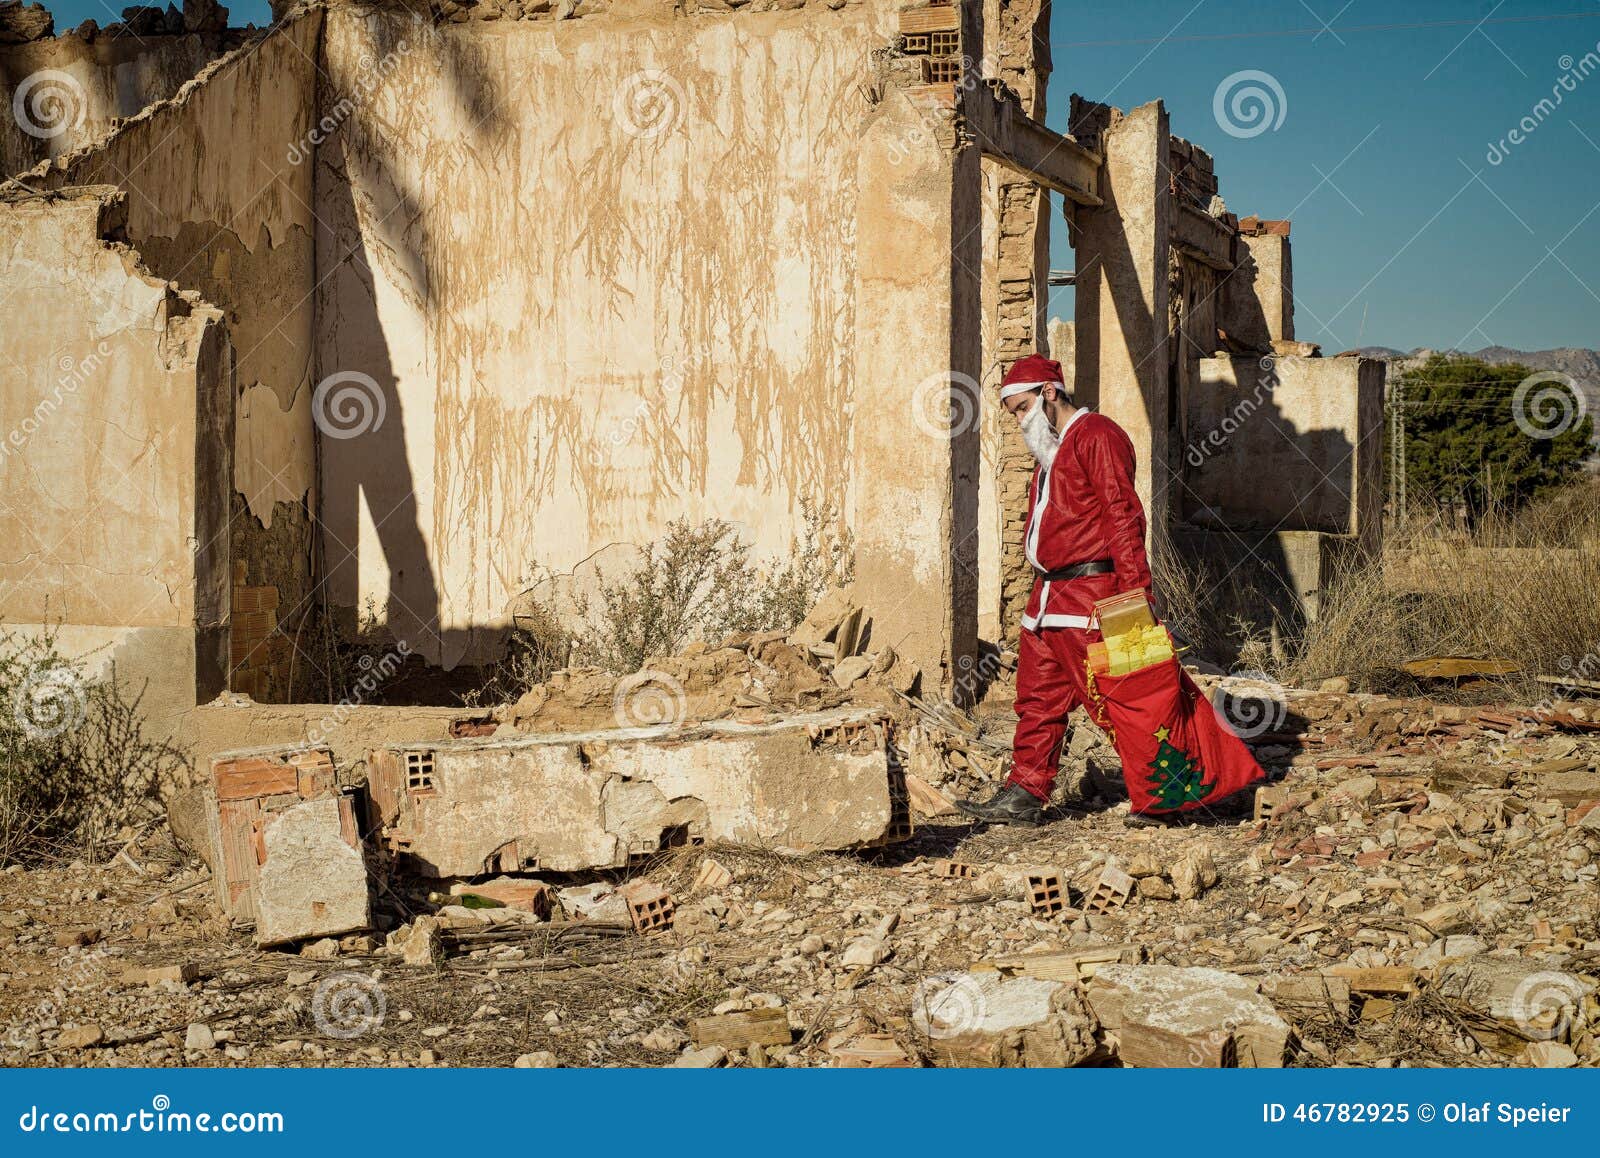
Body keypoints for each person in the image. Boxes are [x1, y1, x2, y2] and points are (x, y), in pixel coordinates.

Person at [956, 354, 1151, 827]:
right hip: (1048, 599)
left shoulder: (1098, 435)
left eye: (1022, 409)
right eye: (1013, 413)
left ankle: (1170, 790)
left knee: (1120, 696)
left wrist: (1134, 599)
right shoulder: (1052, 451)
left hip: (1092, 596)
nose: (1020, 422)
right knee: (1037, 699)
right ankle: (1025, 793)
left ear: (1048, 393)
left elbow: (1123, 517)